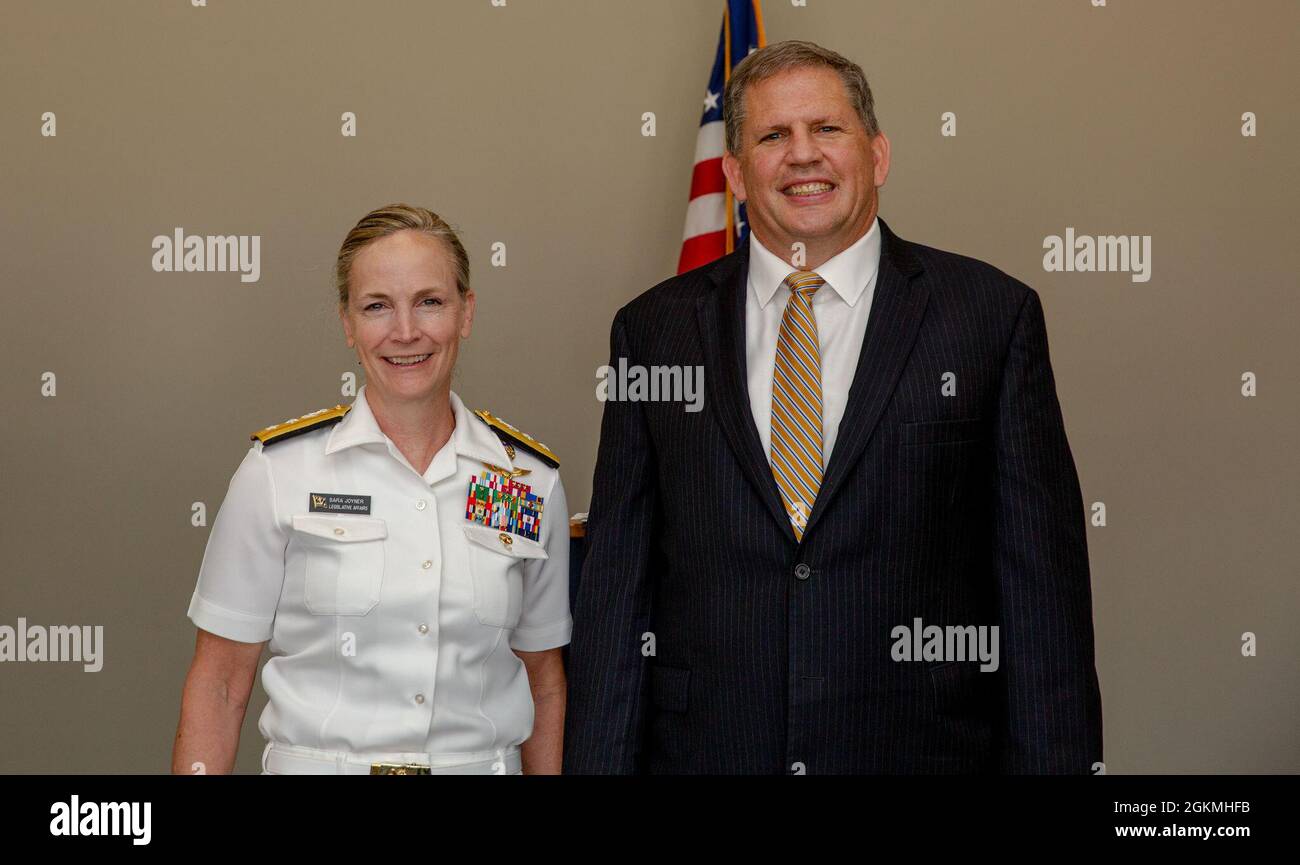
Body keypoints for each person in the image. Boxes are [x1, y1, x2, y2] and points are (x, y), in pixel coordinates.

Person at [564, 40, 1103, 773]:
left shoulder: (988, 318)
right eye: (773, 136)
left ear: (877, 155)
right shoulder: (653, 330)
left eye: (827, 129)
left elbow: (1043, 604)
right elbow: (618, 590)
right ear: (734, 173)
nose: (803, 155)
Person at [172, 204, 570, 775]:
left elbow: (544, 680)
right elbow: (220, 682)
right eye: (377, 306)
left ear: (466, 313)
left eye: (430, 302)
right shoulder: (279, 473)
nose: (405, 332)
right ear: (348, 324)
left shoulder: (528, 482)